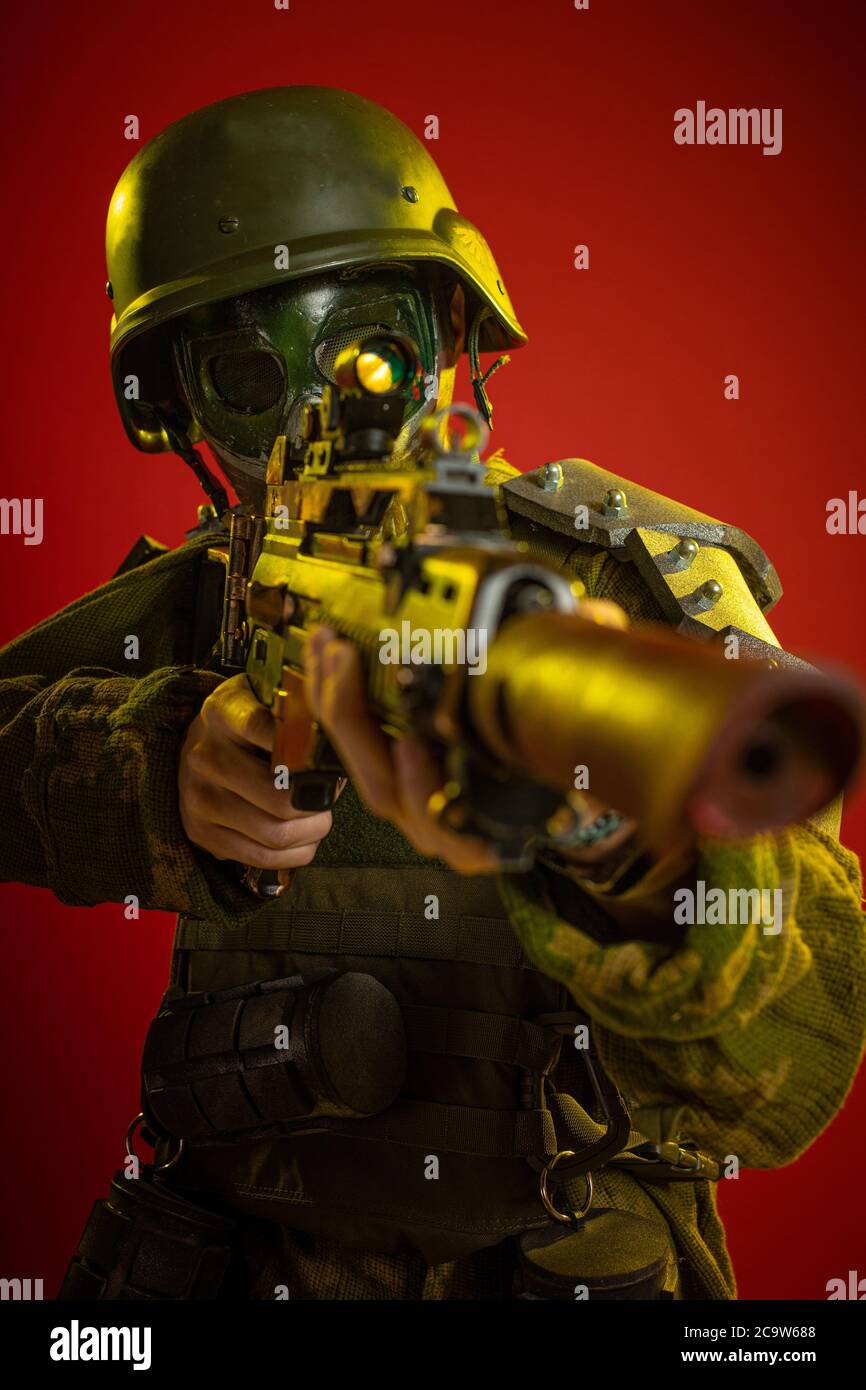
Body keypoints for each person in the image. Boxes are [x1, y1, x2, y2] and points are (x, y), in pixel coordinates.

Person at [3, 86, 864, 1300]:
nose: (321, 418)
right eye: (250, 375)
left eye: (371, 348)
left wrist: (618, 837)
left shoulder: (611, 583)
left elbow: (793, 1042)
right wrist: (158, 762)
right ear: (178, 410)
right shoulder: (212, 594)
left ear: (450, 340)